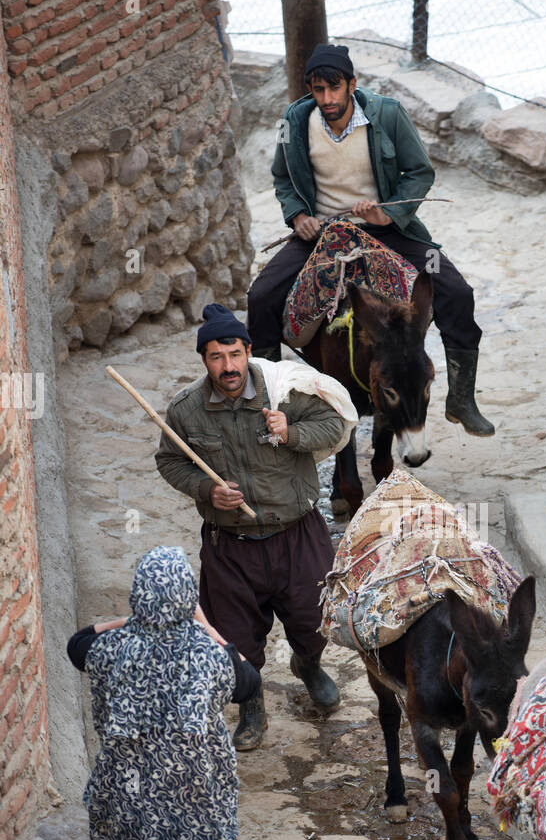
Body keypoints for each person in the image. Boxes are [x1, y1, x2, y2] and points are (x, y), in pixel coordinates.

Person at [247, 42, 495, 437]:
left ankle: (462, 399)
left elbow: (419, 173)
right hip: (322, 234)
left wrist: (388, 211)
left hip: (388, 232)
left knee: (455, 291)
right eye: (318, 90)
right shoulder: (293, 122)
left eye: (334, 88)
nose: (327, 99)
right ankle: (265, 402)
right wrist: (298, 217)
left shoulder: (388, 115)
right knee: (261, 298)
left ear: (351, 84)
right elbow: (283, 179)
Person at [67, 546, 261, 840]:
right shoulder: (210, 656)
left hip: (122, 799)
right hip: (195, 802)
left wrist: (123, 621)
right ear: (188, 597)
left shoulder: (109, 650)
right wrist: (209, 629)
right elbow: (249, 682)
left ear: (139, 597)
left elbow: (75, 645)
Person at [154, 303, 345, 748]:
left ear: (248, 352)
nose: (228, 366)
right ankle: (252, 706)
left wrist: (290, 432)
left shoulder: (286, 391)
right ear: (204, 360)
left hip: (297, 533)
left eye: (235, 355)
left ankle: (309, 665)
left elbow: (333, 425)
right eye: (217, 358)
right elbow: (169, 462)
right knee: (234, 638)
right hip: (231, 544)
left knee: (316, 618)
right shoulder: (185, 410)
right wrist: (206, 489)